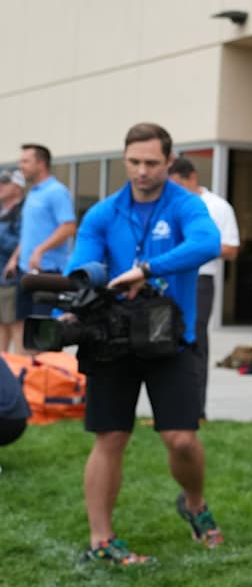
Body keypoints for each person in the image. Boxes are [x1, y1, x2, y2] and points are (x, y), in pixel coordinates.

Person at [67, 123, 222, 566]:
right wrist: (83, 296)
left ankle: (193, 504)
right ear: (125, 158)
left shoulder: (185, 205)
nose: (141, 171)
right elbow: (82, 263)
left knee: (181, 440)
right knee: (109, 438)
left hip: (170, 339)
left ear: (169, 162)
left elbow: (206, 242)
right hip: (113, 342)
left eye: (152, 163)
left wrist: (147, 269)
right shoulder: (104, 212)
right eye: (134, 162)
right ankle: (101, 540)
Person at [167, 157, 240, 419]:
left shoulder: (218, 207)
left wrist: (194, 249)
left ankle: (196, 410)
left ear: (192, 178)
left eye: (176, 184)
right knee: (166, 342)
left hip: (200, 280)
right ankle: (168, 409)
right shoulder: (170, 204)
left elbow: (231, 248)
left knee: (194, 342)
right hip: (169, 278)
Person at [5, 144, 76, 325]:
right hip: (25, 272)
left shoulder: (56, 191)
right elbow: (29, 233)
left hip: (47, 274)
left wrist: (40, 251)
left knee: (42, 330)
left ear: (41, 164)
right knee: (24, 328)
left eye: (26, 161)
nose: (21, 165)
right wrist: (14, 259)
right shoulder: (33, 194)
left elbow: (68, 227)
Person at [0, 168, 26, 354]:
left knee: (15, 325)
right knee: (1, 326)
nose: (0, 186)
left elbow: (26, 241)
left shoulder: (24, 212)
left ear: (18, 186)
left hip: (11, 279)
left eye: (5, 182)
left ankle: (20, 375)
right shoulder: (3, 212)